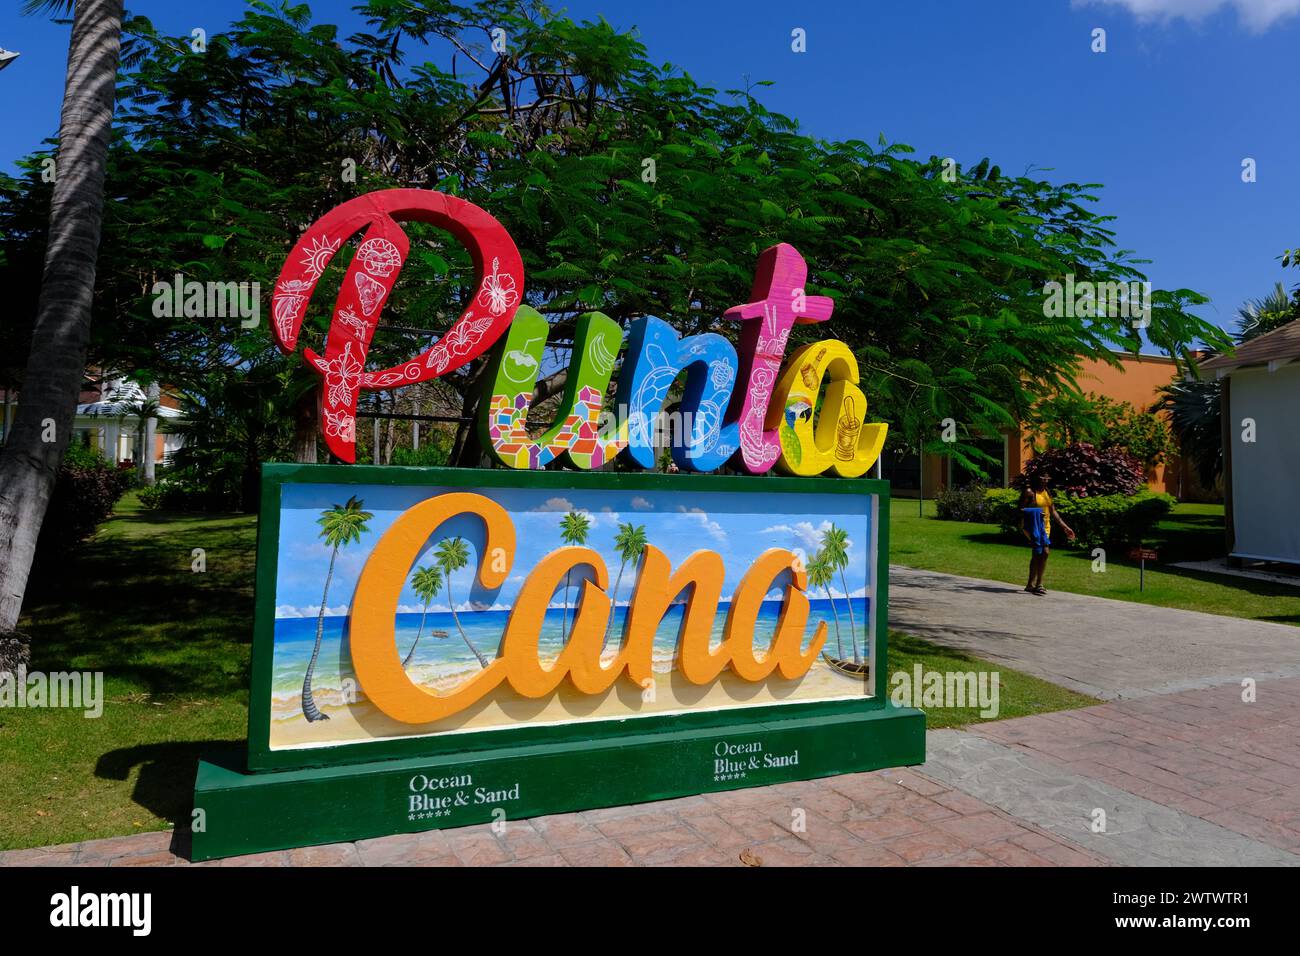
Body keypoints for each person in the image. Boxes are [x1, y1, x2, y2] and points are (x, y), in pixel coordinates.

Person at [1019, 473, 1074, 595]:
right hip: (1032, 526)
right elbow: (1020, 509)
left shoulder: (1047, 492)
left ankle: (1033, 584)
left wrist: (1065, 527)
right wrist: (1036, 512)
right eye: (1042, 478)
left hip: (1045, 527)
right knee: (1041, 551)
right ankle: (1037, 584)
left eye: (1046, 479)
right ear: (1036, 478)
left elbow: (1053, 511)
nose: (1045, 481)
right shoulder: (1029, 492)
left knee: (1042, 553)